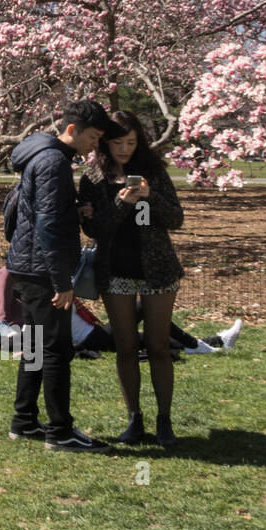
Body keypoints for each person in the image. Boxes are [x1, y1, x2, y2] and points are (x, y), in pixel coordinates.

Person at [5, 99, 126, 452]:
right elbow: (48, 225)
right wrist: (62, 282)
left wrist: (74, 210)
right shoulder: (54, 161)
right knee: (56, 350)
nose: (95, 146)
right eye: (93, 137)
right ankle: (61, 432)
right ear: (72, 130)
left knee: (35, 348)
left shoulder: (41, 154)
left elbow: (46, 211)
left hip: (27, 265)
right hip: (44, 271)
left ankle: (24, 420)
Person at [78, 110, 186, 446]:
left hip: (157, 270)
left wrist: (150, 196)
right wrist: (123, 202)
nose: (124, 149)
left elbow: (176, 219)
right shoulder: (93, 177)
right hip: (116, 271)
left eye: (131, 142)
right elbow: (95, 228)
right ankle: (134, 419)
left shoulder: (152, 172)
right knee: (125, 346)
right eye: (117, 142)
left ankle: (164, 421)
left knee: (157, 346)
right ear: (105, 143)